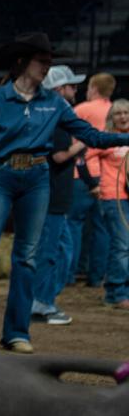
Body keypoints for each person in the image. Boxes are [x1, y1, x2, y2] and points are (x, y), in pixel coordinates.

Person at [0, 33, 129, 353]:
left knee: (27, 257)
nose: (47, 68)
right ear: (22, 64)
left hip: (36, 179)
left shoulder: (54, 103)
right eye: (42, 62)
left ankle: (17, 332)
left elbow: (91, 136)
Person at [29, 66, 86, 325]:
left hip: (53, 194)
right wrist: (85, 141)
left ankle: (42, 300)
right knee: (51, 251)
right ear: (59, 89)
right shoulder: (57, 115)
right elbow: (59, 155)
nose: (76, 89)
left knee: (62, 250)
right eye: (71, 85)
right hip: (52, 194)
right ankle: (40, 303)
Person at [68, 72, 116, 287]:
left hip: (79, 174)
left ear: (93, 89)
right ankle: (96, 276)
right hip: (105, 176)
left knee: (73, 225)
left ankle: (68, 274)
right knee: (101, 227)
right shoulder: (115, 111)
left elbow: (69, 142)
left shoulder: (82, 109)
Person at [87, 99, 129, 310]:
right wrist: (95, 182)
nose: (122, 117)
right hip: (113, 196)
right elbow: (90, 157)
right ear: (112, 117)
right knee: (121, 244)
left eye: (126, 113)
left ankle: (121, 289)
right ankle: (115, 292)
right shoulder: (107, 137)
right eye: (118, 113)